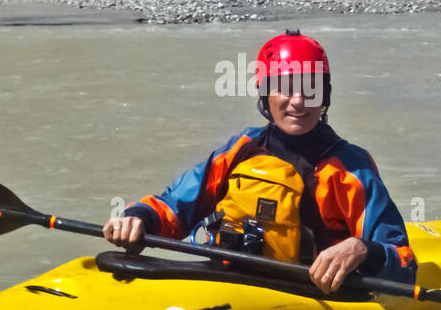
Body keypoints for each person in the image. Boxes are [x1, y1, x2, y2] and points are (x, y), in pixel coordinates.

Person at [103, 31, 417, 294]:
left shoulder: (350, 167)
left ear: (325, 96)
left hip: (308, 297)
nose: (297, 101)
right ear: (265, 93)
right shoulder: (241, 149)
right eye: (284, 87)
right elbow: (175, 206)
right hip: (230, 282)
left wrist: (362, 250)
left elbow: (403, 262)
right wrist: (138, 218)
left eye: (310, 87)